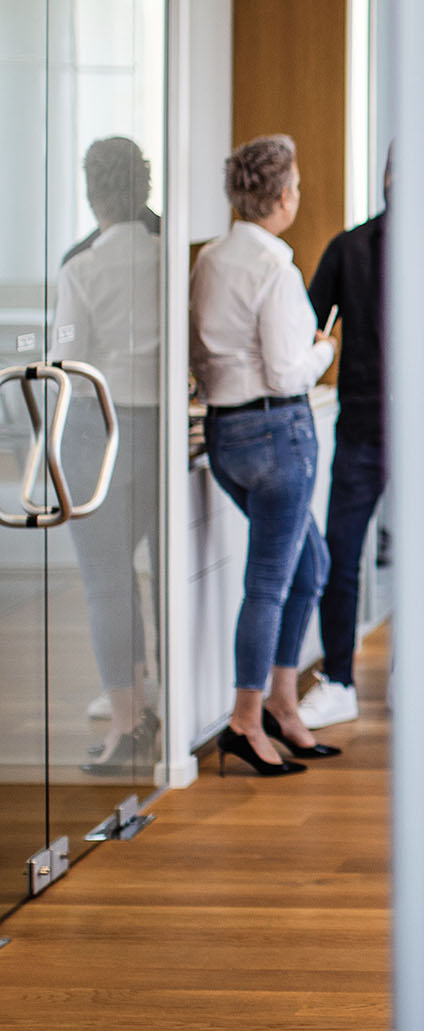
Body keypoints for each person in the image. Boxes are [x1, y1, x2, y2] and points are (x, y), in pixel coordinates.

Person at [298, 149, 424, 730]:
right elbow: (306, 325)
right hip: (362, 428)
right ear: (384, 178)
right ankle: (338, 679)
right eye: (393, 172)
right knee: (341, 555)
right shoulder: (349, 249)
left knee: (422, 561)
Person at [188, 134, 343, 777]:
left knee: (311, 565)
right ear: (282, 198)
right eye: (297, 187)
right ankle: (246, 720)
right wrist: (325, 349)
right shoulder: (275, 267)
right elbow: (285, 372)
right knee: (271, 583)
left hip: (226, 432)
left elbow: (203, 354)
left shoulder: (209, 259)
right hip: (277, 433)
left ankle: (281, 703)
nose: (297, 196)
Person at [51, 136, 163, 774]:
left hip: (98, 430)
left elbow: (65, 361)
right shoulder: (168, 258)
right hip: (156, 431)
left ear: (93, 193)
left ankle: (125, 727)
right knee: (137, 574)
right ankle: (144, 707)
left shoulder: (82, 268)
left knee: (106, 583)